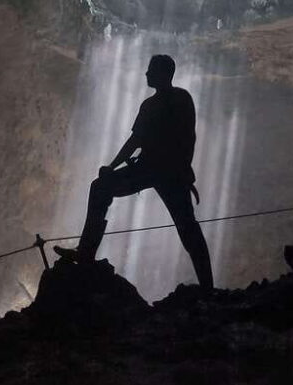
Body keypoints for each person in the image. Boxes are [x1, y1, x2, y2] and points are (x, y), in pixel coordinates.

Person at [54, 54, 214, 292]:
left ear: (163, 73)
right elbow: (138, 140)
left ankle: (86, 251)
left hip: (163, 170)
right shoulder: (169, 101)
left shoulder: (169, 101)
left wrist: (113, 167)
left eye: (151, 70)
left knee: (186, 227)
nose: (147, 74)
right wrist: (111, 167)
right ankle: (85, 251)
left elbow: (150, 140)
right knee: (186, 226)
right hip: (160, 169)